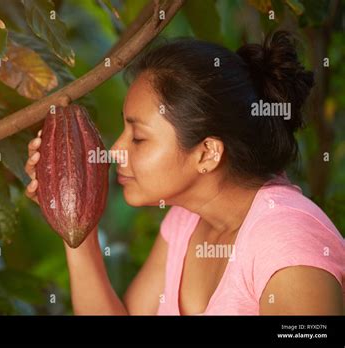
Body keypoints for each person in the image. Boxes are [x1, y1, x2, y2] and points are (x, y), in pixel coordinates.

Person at [24, 31, 344, 315]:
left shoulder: (288, 246)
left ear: (207, 153)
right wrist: (74, 216)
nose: (114, 151)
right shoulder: (186, 221)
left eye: (138, 137)